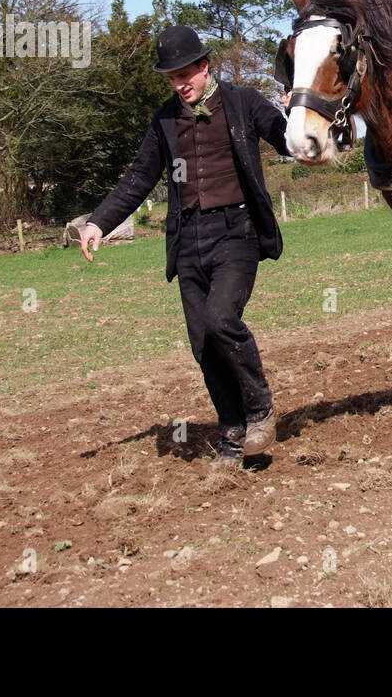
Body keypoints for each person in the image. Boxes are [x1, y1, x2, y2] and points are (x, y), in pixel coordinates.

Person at [79, 25, 290, 467]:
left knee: (219, 320)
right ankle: (232, 436)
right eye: (171, 79)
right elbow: (139, 178)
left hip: (238, 232)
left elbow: (288, 143)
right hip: (189, 239)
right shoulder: (164, 121)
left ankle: (260, 406)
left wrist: (296, 112)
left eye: (184, 75)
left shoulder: (243, 102)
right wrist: (100, 222)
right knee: (203, 344)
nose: (179, 85)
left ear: (204, 65)